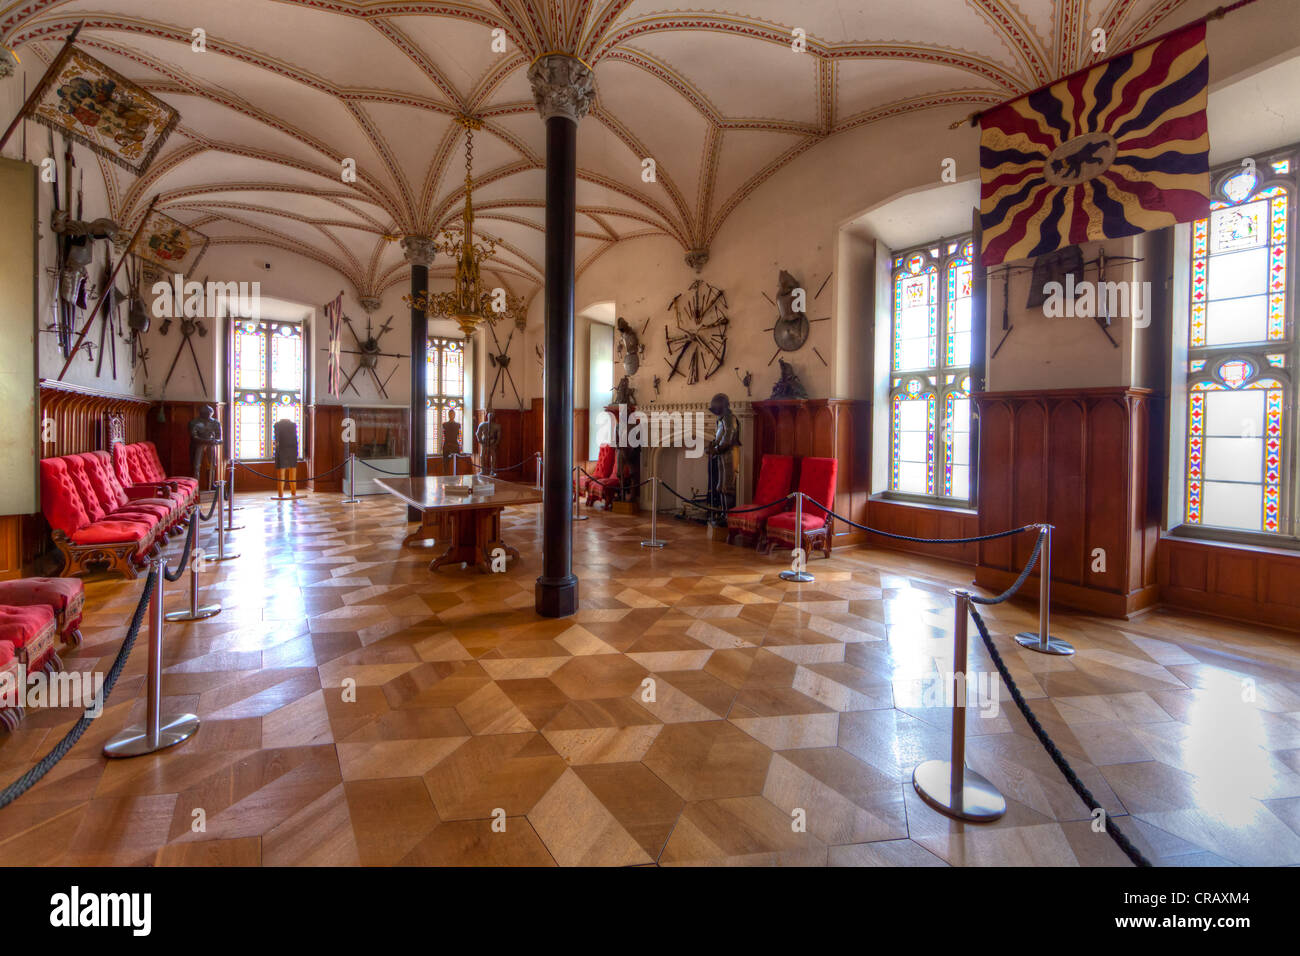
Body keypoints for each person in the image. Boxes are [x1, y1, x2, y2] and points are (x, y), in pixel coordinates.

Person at [188, 404, 223, 490]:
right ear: (200, 413)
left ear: (211, 413)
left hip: (211, 444)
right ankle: (195, 485)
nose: (207, 415)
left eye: (208, 413)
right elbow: (194, 437)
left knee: (212, 465)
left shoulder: (215, 422)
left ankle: (211, 484)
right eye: (204, 413)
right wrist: (208, 441)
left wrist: (215, 441)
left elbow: (219, 437)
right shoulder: (194, 422)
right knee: (196, 465)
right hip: (198, 445)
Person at [273, 417, 300, 498]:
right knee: (292, 475)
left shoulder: (277, 425)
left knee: (281, 475)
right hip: (292, 450)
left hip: (282, 450)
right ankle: (293, 493)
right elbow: (295, 440)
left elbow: (276, 440)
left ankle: (281, 494)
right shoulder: (293, 425)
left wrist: (276, 451)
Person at [475, 411, 502, 476]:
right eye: (489, 416)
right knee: (482, 456)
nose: (490, 417)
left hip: (492, 442)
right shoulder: (482, 424)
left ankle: (492, 470)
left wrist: (496, 443)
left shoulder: (497, 426)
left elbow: (498, 436)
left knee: (493, 456)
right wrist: (480, 440)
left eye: (491, 416)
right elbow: (478, 433)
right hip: (484, 441)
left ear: (493, 417)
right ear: (487, 416)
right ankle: (482, 470)